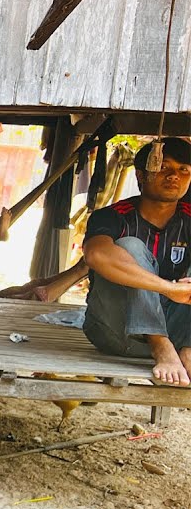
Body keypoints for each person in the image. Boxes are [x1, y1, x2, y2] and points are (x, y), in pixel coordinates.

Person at [82, 137, 191, 385]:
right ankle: (159, 344)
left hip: (177, 332)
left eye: (183, 170)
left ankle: (188, 348)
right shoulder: (112, 217)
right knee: (130, 246)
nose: (174, 176)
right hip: (116, 333)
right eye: (164, 167)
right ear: (141, 176)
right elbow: (96, 255)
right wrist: (169, 288)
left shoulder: (188, 218)